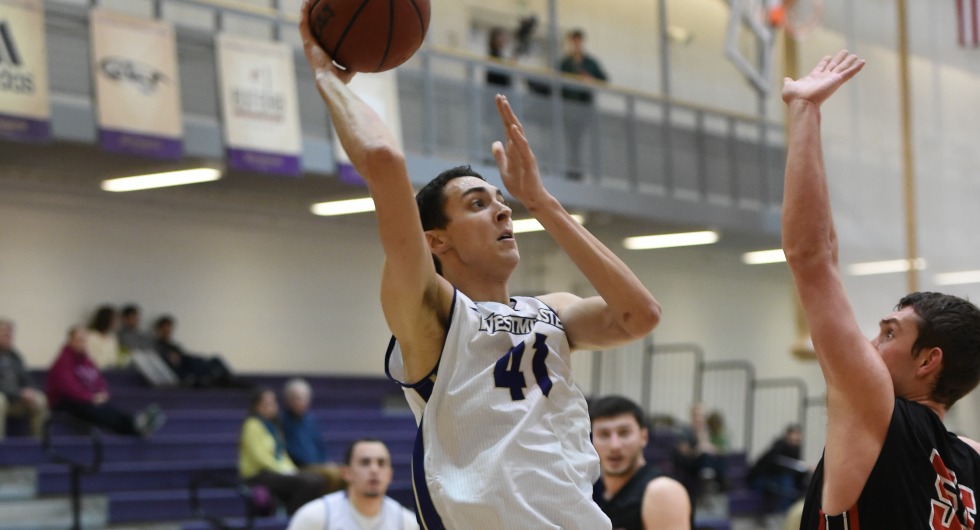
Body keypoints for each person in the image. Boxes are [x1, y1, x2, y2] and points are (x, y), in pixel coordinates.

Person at [299, 3, 661, 528]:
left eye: (500, 199)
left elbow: (640, 315)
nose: (500, 207)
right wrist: (324, 76)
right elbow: (384, 162)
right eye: (476, 203)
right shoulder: (432, 319)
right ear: (436, 241)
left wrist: (543, 202)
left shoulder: (551, 312)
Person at [782, 50, 980, 529]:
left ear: (928, 361)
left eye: (889, 334)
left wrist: (805, 111)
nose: (871, 344)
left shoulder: (877, 407)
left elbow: (813, 258)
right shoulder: (971, 459)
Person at [590, 395, 691, 530]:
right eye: (604, 434)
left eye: (623, 433)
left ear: (644, 437)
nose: (614, 445)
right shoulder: (592, 493)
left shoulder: (662, 491)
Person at [45, 326, 165, 437]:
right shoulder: (63, 362)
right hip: (65, 402)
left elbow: (99, 380)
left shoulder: (86, 360)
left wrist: (102, 392)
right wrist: (91, 398)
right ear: (70, 340)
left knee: (105, 406)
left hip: (86, 399)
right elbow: (69, 388)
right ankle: (134, 426)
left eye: (84, 340)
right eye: (79, 340)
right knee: (93, 408)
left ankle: (135, 422)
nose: (82, 343)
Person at [286, 439, 419, 530]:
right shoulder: (314, 516)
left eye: (381, 463)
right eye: (365, 462)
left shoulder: (407, 523)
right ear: (346, 473)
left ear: (390, 474)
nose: (374, 470)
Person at [239, 387, 326, 515]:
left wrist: (292, 469)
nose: (273, 406)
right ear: (257, 406)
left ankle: (301, 515)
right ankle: (293, 518)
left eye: (274, 402)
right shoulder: (252, 425)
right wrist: (283, 470)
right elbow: (260, 457)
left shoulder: (273, 426)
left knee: (317, 479)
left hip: (275, 471)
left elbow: (282, 453)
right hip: (258, 474)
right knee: (306, 483)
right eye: (268, 403)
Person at [558, 28, 607, 180]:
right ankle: (571, 168)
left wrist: (589, 79)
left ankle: (577, 170)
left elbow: (603, 79)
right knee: (569, 138)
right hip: (568, 106)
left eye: (579, 41)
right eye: (574, 41)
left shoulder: (590, 62)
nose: (577, 44)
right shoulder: (565, 62)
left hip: (582, 107)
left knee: (578, 139)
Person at [281, 378, 344, 492]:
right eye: (298, 398)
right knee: (333, 475)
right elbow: (287, 449)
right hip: (299, 466)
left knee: (346, 473)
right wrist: (317, 463)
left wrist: (326, 461)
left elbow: (320, 445)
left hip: (318, 464)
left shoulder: (311, 419)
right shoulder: (282, 421)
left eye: (305, 398)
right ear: (288, 400)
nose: (302, 402)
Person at [153, 315, 237, 388]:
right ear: (159, 329)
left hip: (190, 364)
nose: (168, 331)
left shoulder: (174, 346)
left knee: (216, 359)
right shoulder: (157, 346)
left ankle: (232, 380)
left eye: (170, 328)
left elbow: (183, 355)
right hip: (184, 371)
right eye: (165, 328)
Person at [0, 319, 49, 439]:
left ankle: (39, 445)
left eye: (11, 333)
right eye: (5, 333)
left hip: (17, 399)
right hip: (6, 398)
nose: (9, 336)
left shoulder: (15, 356)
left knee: (40, 399)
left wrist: (30, 391)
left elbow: (26, 378)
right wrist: (19, 393)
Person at [747, 424, 809, 513]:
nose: (797, 437)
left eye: (799, 434)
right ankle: (786, 512)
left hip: (777, 478)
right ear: (788, 435)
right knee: (786, 482)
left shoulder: (795, 449)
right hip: (762, 478)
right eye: (795, 434)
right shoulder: (779, 447)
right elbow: (772, 466)